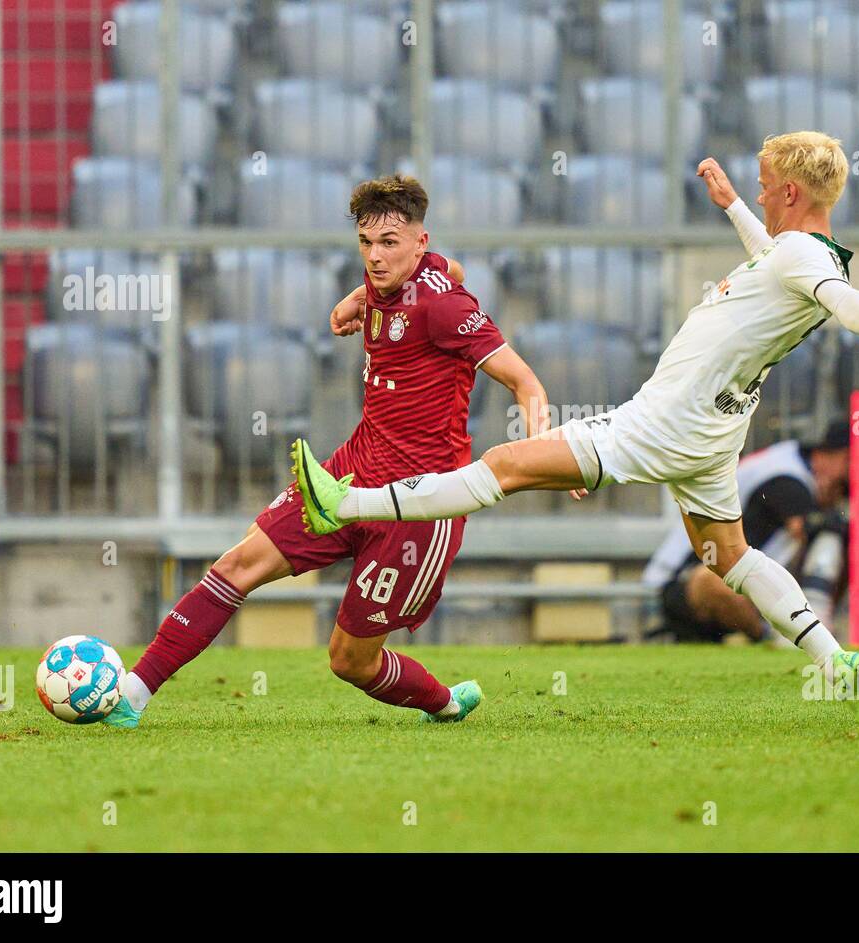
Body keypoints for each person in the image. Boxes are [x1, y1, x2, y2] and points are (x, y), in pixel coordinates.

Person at [291, 131, 859, 726]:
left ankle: (348, 502)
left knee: (505, 465)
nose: (762, 196)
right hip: (714, 433)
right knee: (729, 555)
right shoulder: (795, 251)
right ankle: (837, 660)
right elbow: (787, 262)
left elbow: (835, 294)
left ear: (793, 193)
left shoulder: (804, 259)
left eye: (768, 188)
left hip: (664, 423)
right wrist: (735, 207)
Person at [102, 174, 550, 728]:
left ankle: (445, 703)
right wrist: (358, 297)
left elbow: (526, 384)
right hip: (351, 471)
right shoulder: (401, 273)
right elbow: (449, 267)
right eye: (366, 243)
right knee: (237, 564)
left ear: (420, 240)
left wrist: (545, 453)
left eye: (390, 243)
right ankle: (131, 697)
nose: (376, 256)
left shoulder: (445, 309)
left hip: (418, 504)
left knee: (349, 660)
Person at [643, 421, 850, 645]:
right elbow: (805, 527)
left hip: (742, 577)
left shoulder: (788, 464)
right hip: (683, 578)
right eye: (848, 461)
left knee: (839, 540)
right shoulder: (786, 476)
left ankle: (793, 631)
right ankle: (774, 638)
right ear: (822, 456)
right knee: (715, 581)